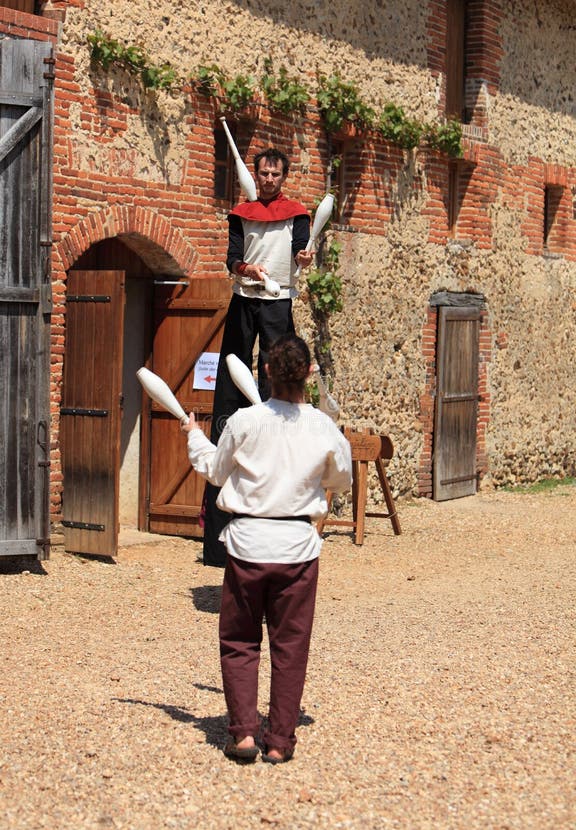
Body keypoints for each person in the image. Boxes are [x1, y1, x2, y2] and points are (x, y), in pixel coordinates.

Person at [182, 335, 352, 764]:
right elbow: (341, 480)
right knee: (290, 645)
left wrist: (194, 436)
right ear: (308, 375)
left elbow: (215, 472)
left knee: (240, 640)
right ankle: (278, 740)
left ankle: (242, 735)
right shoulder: (323, 428)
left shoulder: (244, 422)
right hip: (297, 550)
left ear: (269, 373)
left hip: (248, 546)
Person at [203, 147, 315, 568]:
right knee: (232, 369)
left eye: (275, 174)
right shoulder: (241, 212)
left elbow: (302, 250)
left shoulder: (296, 213)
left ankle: (274, 413)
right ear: (257, 174)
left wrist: (303, 258)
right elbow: (232, 256)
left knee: (275, 368)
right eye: (263, 173)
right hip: (244, 297)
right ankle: (230, 419)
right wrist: (243, 269)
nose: (268, 179)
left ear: (284, 176)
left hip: (276, 299)